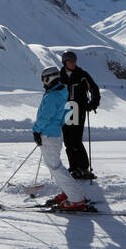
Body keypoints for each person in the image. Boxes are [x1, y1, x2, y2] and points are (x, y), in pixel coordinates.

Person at [32, 67, 91, 211]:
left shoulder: (52, 96)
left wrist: (36, 130)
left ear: (48, 79)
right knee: (56, 167)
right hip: (54, 134)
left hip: (48, 135)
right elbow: (68, 111)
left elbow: (45, 117)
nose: (42, 83)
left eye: (43, 79)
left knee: (55, 167)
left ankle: (76, 199)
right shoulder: (61, 92)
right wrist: (56, 125)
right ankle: (69, 192)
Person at [59, 51, 100, 179]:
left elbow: (94, 89)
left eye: (74, 60)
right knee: (67, 141)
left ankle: (83, 168)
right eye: (70, 61)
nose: (73, 63)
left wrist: (93, 104)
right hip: (66, 110)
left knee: (75, 140)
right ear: (65, 62)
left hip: (78, 109)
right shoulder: (60, 76)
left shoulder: (82, 75)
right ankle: (74, 167)